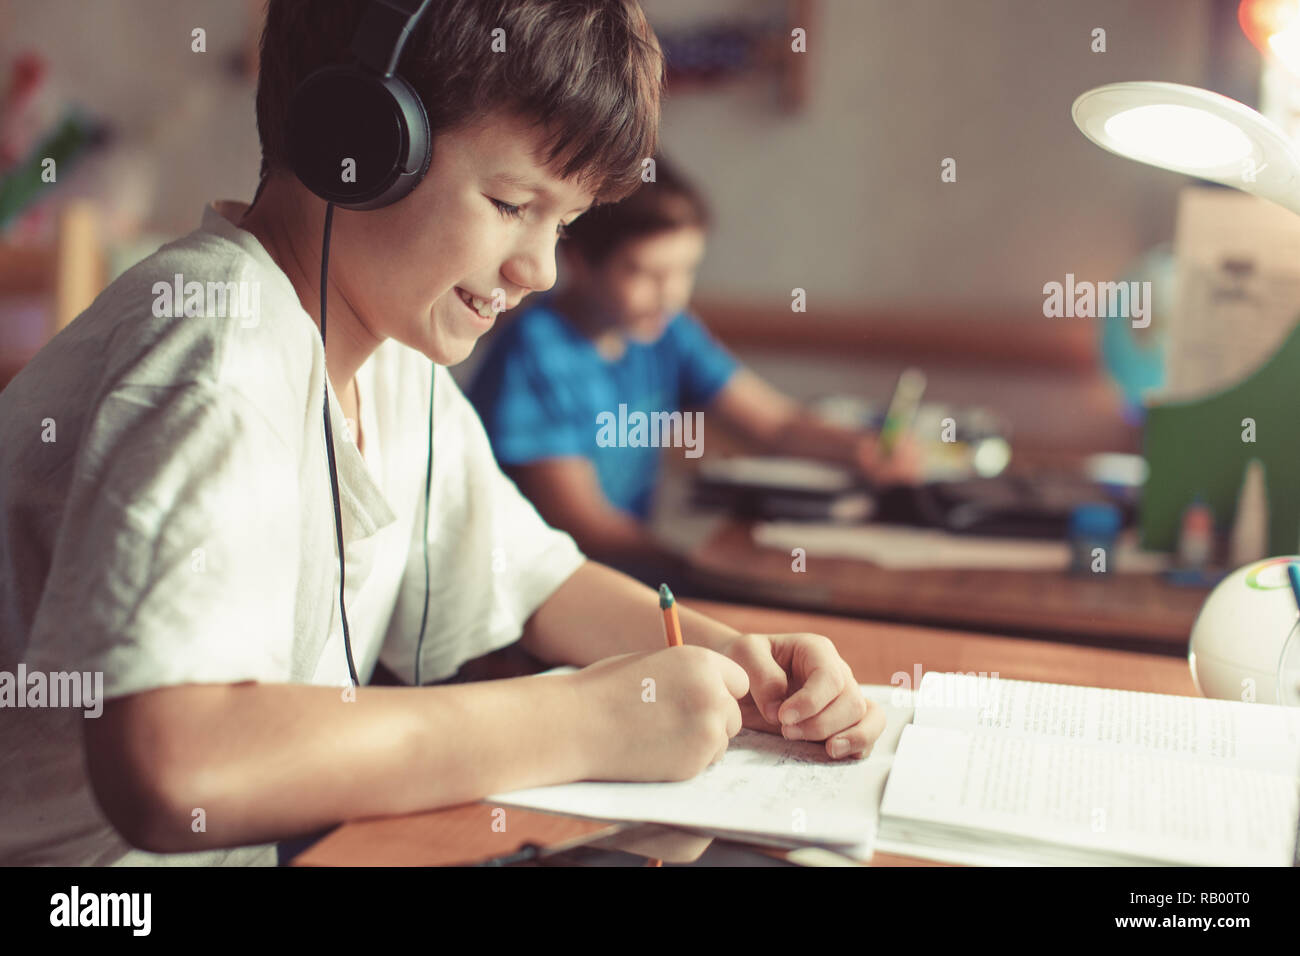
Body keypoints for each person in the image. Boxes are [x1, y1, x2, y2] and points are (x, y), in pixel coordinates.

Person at [0, 0, 885, 866]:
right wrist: (585, 720)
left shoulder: (394, 368)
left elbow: (537, 582)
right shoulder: (218, 354)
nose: (538, 269)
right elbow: (174, 765)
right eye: (509, 203)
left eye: (563, 225)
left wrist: (740, 663)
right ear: (358, 148)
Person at [467, 155, 921, 583]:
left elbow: (776, 423)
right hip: (545, 590)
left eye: (685, 271)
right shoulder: (533, 355)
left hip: (627, 576)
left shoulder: (665, 330)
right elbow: (584, 527)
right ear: (580, 262)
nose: (672, 296)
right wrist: (704, 570)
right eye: (645, 274)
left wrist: (861, 450)